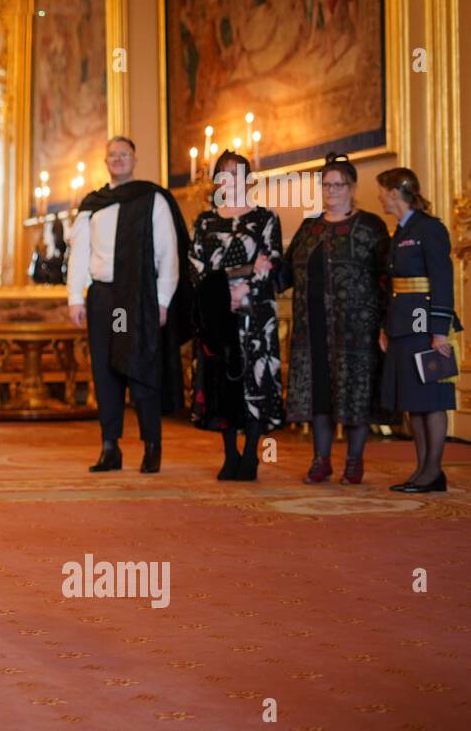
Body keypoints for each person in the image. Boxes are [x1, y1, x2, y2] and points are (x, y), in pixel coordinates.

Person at [66, 136, 192, 474]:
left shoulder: (152, 198)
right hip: (103, 298)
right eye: (112, 155)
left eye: (124, 154)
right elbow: (79, 254)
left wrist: (163, 300)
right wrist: (76, 297)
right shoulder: (94, 204)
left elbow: (168, 254)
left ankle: (152, 445)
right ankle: (110, 447)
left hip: (132, 300)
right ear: (105, 162)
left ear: (135, 159)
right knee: (104, 371)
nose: (118, 159)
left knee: (136, 365)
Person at [274, 152, 390, 484]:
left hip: (357, 330)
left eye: (339, 185)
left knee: (355, 395)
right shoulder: (310, 226)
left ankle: (354, 462)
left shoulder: (370, 226)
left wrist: (386, 323)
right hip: (312, 331)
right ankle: (320, 460)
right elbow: (285, 271)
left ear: (352, 187)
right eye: (326, 184)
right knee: (319, 396)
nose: (332, 190)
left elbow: (386, 276)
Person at [188, 150, 284, 480]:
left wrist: (242, 288)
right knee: (224, 382)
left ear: (248, 179)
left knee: (255, 379)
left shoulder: (265, 218)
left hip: (257, 313)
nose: (230, 180)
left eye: (237, 173)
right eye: (223, 174)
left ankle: (253, 455)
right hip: (219, 314)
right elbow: (197, 267)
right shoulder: (205, 221)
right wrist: (226, 290)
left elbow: (270, 262)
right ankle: (230, 455)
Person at [377, 167, 461, 493]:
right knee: (415, 399)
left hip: (424, 324)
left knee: (432, 398)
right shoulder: (400, 231)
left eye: (382, 190)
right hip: (403, 324)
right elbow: (394, 286)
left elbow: (441, 281)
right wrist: (387, 327)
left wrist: (439, 331)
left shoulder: (429, 228)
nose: (380, 196)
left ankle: (433, 471)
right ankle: (423, 471)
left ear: (396, 191)